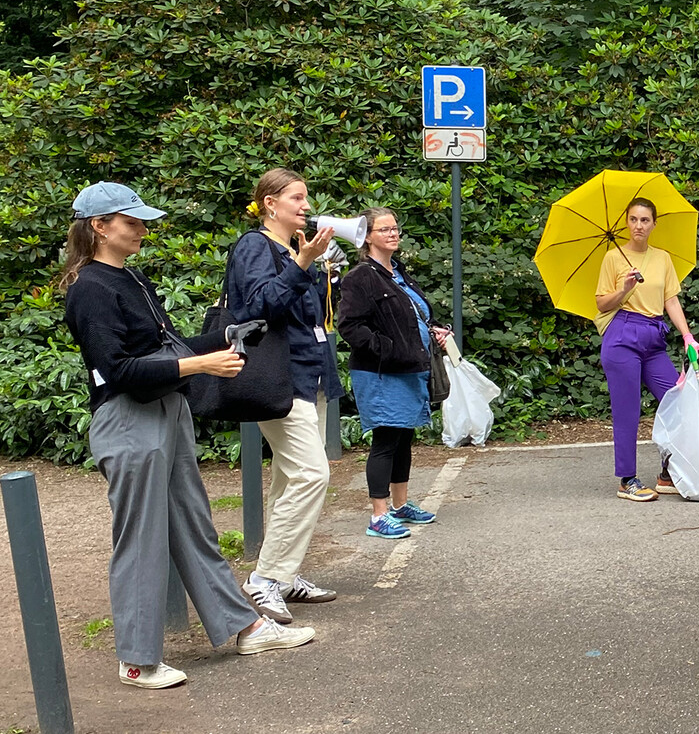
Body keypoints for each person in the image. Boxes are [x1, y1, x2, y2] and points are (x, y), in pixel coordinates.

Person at [62, 182, 315, 689]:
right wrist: (203, 363)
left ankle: (244, 627)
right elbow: (118, 371)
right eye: (130, 222)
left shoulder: (129, 278)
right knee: (140, 540)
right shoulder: (90, 287)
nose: (141, 229)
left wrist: (225, 336)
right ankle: (136, 660)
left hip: (167, 410)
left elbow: (166, 347)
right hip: (129, 418)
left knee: (195, 526)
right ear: (99, 227)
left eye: (141, 221)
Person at [228, 168, 345, 622]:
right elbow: (256, 308)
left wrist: (319, 269)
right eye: (297, 197)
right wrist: (301, 266)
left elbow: (311, 317)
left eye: (307, 197)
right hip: (277, 377)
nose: (307, 205)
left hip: (307, 374)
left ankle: (286, 572)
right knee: (311, 475)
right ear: (269, 203)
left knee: (286, 478)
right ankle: (265, 580)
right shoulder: (254, 246)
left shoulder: (295, 249)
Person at [338, 208, 447, 538]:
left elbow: (413, 318)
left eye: (395, 228)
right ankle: (379, 514)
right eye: (384, 229)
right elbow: (350, 326)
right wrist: (388, 348)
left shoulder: (398, 273)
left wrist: (436, 331)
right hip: (382, 373)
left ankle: (400, 506)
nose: (393, 234)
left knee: (404, 438)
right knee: (386, 440)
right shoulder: (361, 277)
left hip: (411, 368)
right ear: (367, 236)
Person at [595, 197, 699, 501]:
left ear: (654, 224)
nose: (638, 225)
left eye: (644, 220)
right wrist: (625, 289)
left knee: (676, 401)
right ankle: (627, 480)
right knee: (627, 411)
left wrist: (687, 336)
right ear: (626, 222)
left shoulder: (662, 258)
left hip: (654, 337)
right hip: (622, 334)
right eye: (633, 219)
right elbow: (601, 303)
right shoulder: (612, 258)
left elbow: (670, 300)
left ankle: (667, 474)